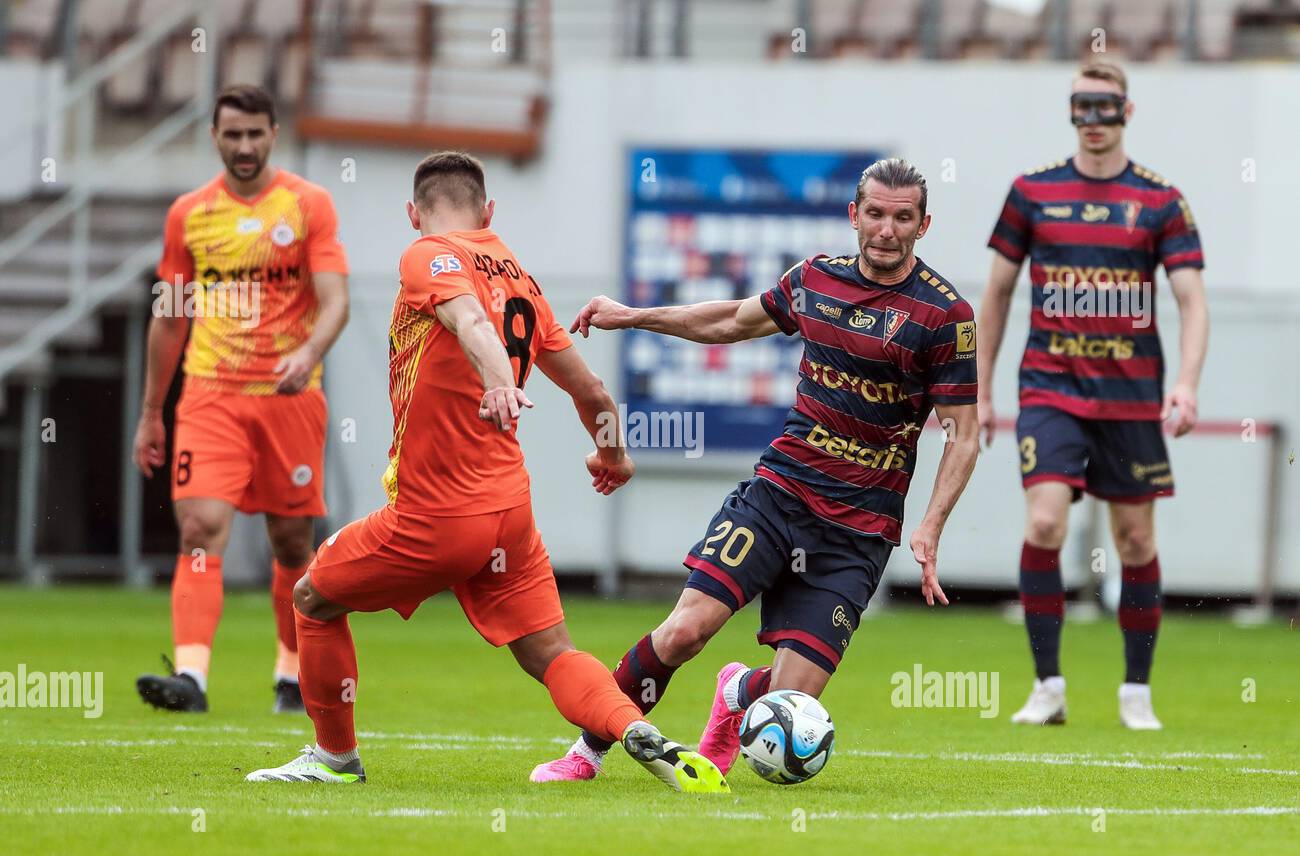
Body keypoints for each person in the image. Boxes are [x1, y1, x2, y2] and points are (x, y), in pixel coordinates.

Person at [246, 151, 727, 793]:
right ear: (490, 211)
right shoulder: (523, 281)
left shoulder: (427, 254)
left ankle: (333, 758)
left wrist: (499, 383)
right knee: (551, 653)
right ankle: (634, 729)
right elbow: (589, 390)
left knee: (311, 597)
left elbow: (467, 319)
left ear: (413, 214)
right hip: (509, 514)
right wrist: (612, 454)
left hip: (438, 516)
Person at [532, 157, 980, 783]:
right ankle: (587, 752)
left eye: (902, 218)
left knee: (791, 706)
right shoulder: (815, 281)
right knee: (686, 631)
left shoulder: (945, 317)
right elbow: (731, 320)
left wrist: (930, 525)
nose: (886, 229)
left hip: (860, 528)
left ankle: (740, 694)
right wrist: (635, 315)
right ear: (854, 215)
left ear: (923, 224)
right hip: (780, 495)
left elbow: (964, 432)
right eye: (875, 213)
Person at [978, 60, 1208, 729]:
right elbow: (995, 295)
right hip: (1050, 387)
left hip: (1132, 396)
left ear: (1127, 113)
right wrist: (982, 389)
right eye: (1084, 106)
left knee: (1134, 540)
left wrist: (1187, 384)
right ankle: (1047, 686)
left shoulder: (1161, 201)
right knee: (1045, 522)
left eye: (1107, 108)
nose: (1095, 120)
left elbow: (1192, 302)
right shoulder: (1031, 192)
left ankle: (1135, 690)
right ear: (1071, 111)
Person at [133, 85, 349, 714]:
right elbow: (169, 317)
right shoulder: (189, 215)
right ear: (215, 137)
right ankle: (192, 679)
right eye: (233, 134)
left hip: (290, 398)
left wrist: (307, 354)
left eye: (256, 134)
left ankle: (291, 674)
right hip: (210, 396)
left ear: (274, 133)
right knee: (200, 529)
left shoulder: (309, 204)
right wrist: (151, 410)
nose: (245, 146)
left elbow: (334, 301)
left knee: (290, 543)